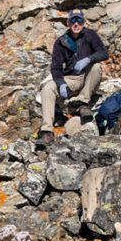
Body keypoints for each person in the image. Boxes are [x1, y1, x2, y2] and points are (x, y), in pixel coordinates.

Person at [37, 9, 109, 144]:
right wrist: (61, 83)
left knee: (96, 67)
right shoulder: (61, 41)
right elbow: (56, 67)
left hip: (87, 77)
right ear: (68, 23)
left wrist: (88, 59)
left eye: (79, 20)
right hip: (70, 78)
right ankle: (47, 131)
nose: (76, 24)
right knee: (47, 88)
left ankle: (82, 103)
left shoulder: (90, 35)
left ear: (84, 22)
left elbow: (103, 53)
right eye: (73, 21)